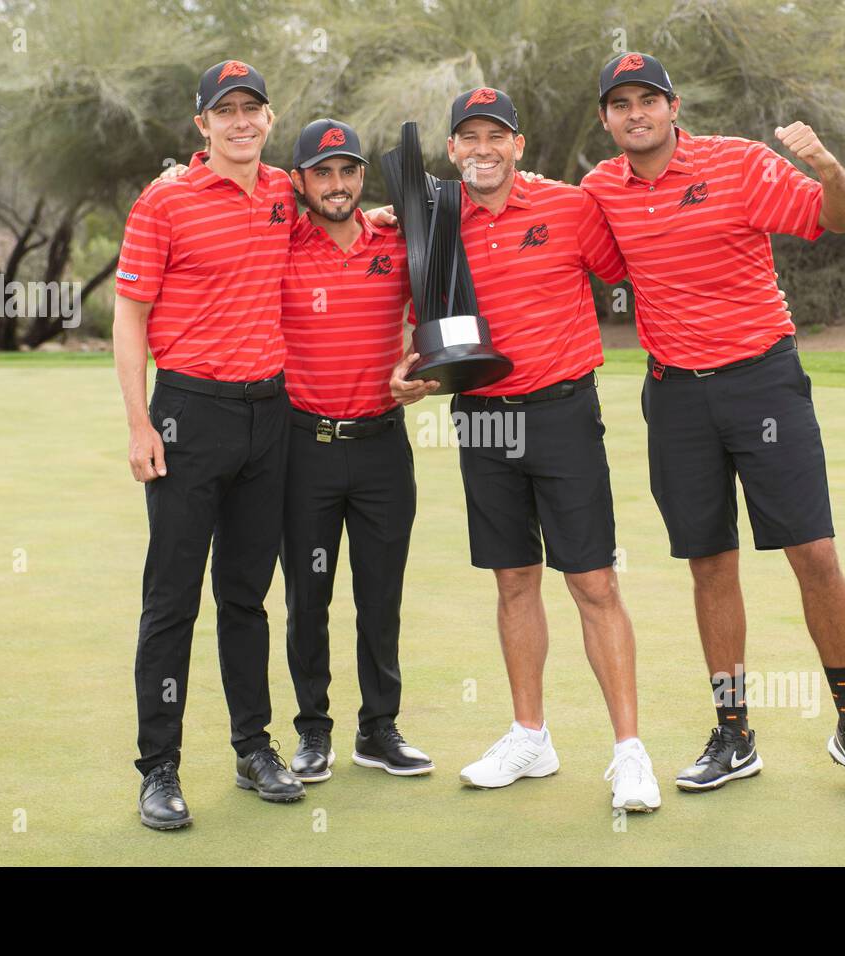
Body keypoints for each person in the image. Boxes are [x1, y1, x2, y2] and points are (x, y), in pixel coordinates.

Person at [581, 52, 845, 801]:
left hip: (762, 381)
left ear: (673, 104)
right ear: (606, 118)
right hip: (676, 398)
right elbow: (532, 214)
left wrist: (830, 168)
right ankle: (734, 736)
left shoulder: (739, 164)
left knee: (814, 555)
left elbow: (840, 219)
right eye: (621, 104)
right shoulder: (602, 188)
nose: (636, 114)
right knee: (710, 563)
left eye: (648, 100)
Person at [391, 87, 661, 812]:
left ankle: (629, 753)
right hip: (480, 417)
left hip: (561, 413)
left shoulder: (569, 207)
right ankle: (530, 736)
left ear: (518, 145)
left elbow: (638, 269)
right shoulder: (433, 220)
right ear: (451, 151)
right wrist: (410, 369)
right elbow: (406, 301)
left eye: (495, 137)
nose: (482, 149)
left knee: (594, 583)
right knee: (514, 582)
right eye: (467, 138)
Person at [115, 59, 306, 830]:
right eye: (223, 111)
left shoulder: (285, 191)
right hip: (188, 413)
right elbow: (129, 320)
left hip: (270, 413)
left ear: (267, 118)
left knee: (246, 597)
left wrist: (376, 220)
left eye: (251, 109)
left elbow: (338, 211)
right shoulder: (164, 202)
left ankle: (254, 748)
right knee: (170, 599)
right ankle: (158, 769)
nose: (239, 121)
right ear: (202, 125)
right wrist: (138, 423)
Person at [278, 118, 433, 782]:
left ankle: (379, 729)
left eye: (348, 171)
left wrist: (421, 367)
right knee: (307, 600)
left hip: (380, 449)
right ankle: (314, 732)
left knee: (380, 596)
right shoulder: (279, 243)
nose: (337, 185)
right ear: (300, 182)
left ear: (363, 177)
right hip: (302, 451)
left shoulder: (399, 243)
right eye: (322, 173)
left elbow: (437, 313)